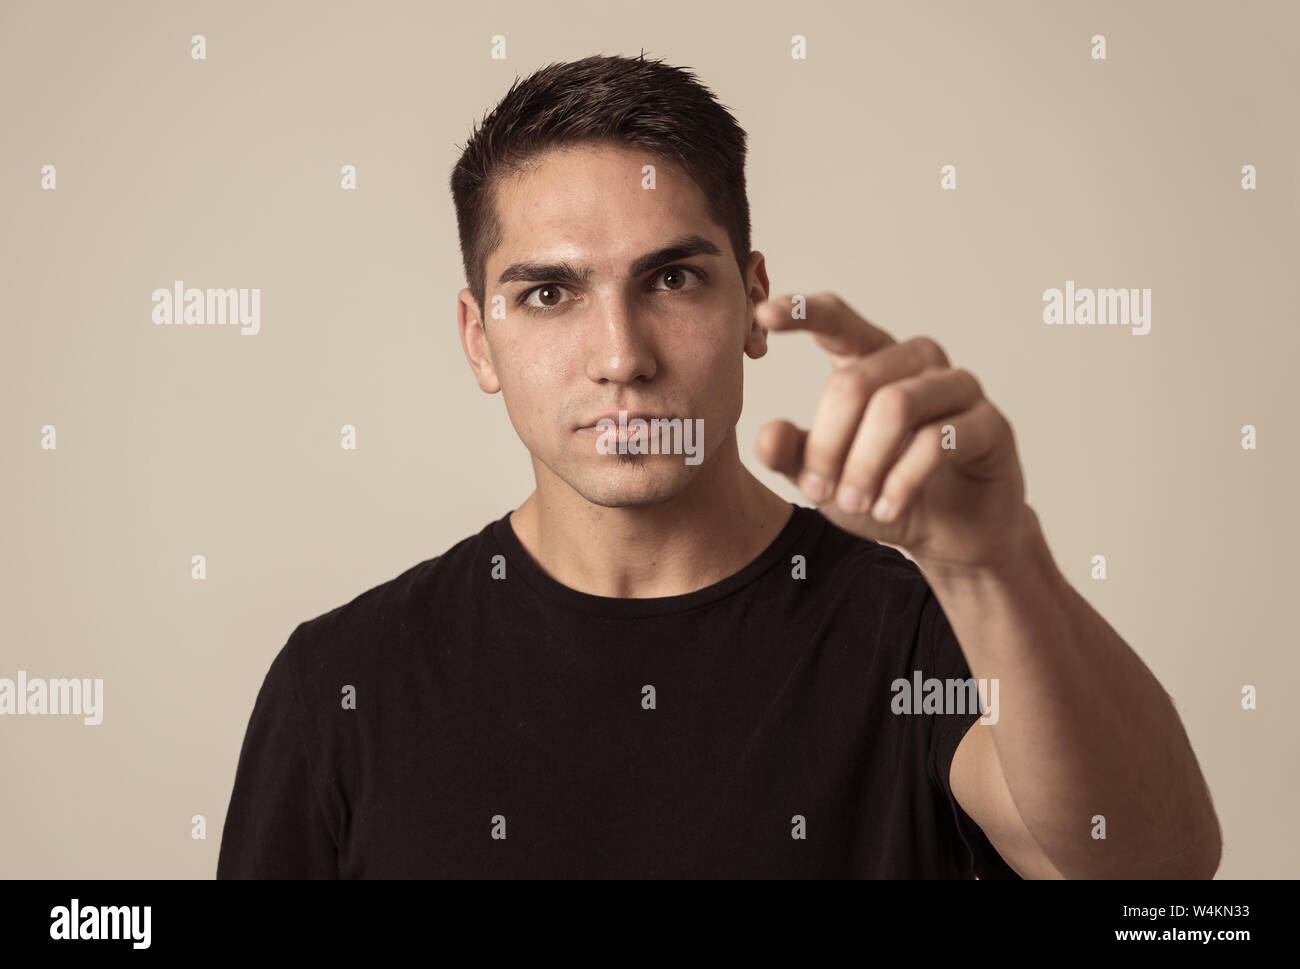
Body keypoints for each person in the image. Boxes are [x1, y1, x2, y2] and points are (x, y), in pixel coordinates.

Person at [216, 53, 1221, 879]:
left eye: (672, 278)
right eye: (549, 294)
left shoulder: (912, 636)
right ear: (479, 339)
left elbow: (1158, 879)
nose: (621, 355)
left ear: (752, 303)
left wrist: (998, 562)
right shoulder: (342, 683)